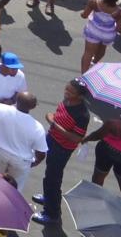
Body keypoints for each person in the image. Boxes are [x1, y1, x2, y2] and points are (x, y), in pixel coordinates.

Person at [34, 79, 90, 225]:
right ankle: (48, 198)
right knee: (49, 174)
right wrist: (52, 118)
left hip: (62, 149)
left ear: (80, 96)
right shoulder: (67, 100)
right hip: (52, 139)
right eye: (67, 88)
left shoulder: (82, 115)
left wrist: (54, 124)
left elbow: (76, 138)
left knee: (53, 180)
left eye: (71, 91)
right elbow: (58, 115)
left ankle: (52, 214)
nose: (66, 92)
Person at [0, 90, 46, 191]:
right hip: (20, 161)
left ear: (16, 100)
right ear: (33, 107)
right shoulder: (37, 127)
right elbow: (41, 153)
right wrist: (33, 163)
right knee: (14, 191)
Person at [79, 0, 121, 73]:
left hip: (93, 31)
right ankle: (94, 62)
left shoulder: (93, 2)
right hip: (108, 35)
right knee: (102, 49)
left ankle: (84, 75)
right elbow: (118, 28)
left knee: (88, 53)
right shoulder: (120, 11)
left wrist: (82, 14)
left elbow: (84, 15)